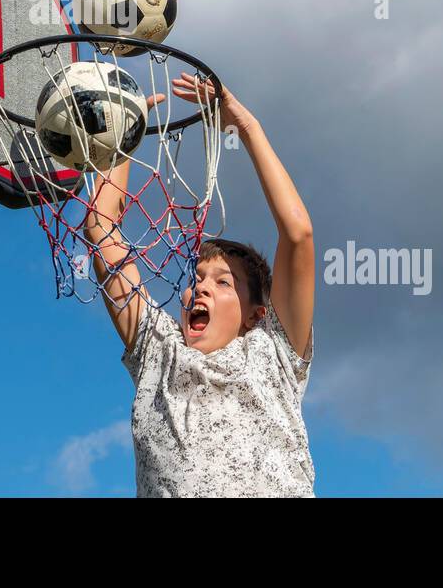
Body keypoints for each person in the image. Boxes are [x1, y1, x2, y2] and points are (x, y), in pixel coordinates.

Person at [83, 72, 316, 497]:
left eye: (223, 282)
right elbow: (101, 231)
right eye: (197, 278)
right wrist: (126, 132)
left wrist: (245, 126)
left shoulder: (273, 356)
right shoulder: (160, 353)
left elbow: (298, 233)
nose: (200, 289)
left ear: (255, 315)